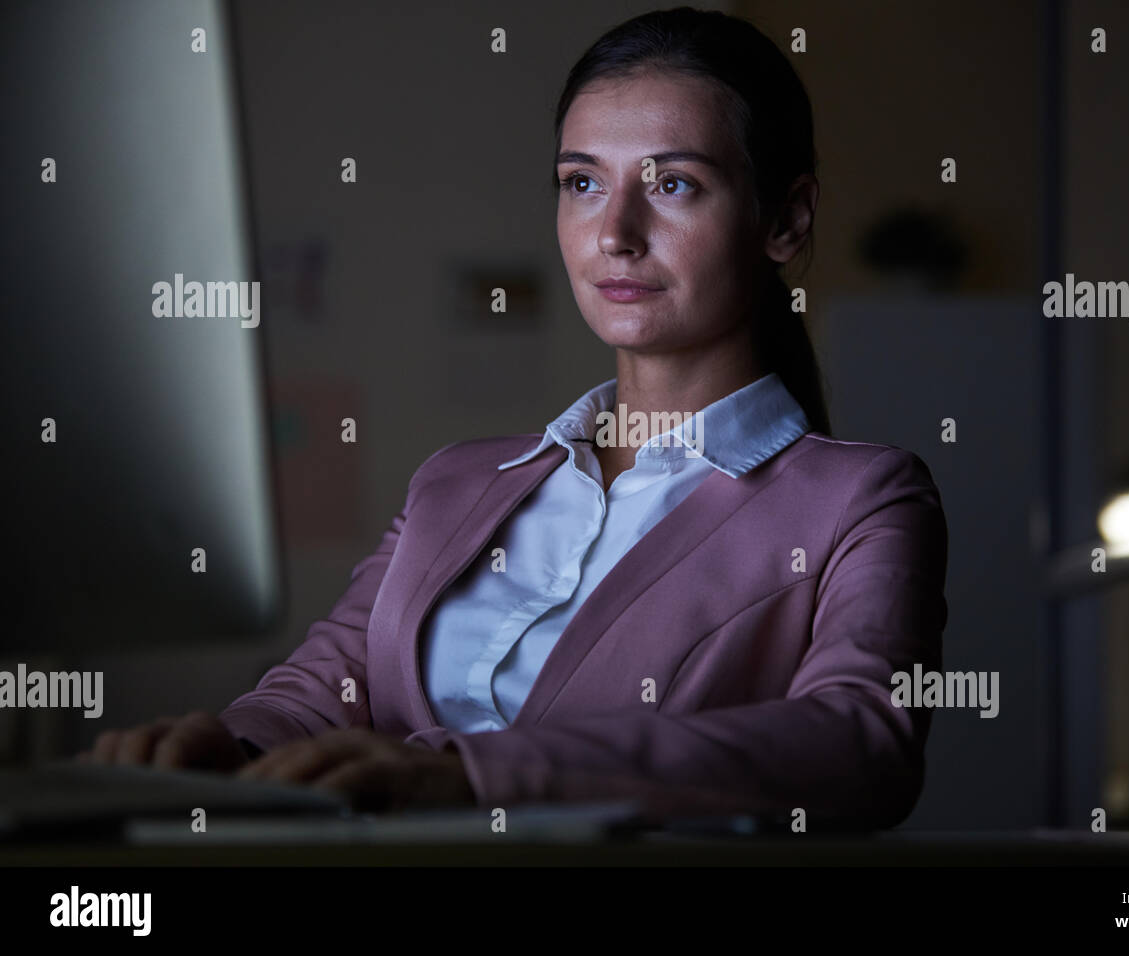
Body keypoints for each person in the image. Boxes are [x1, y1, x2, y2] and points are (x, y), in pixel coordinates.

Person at [79, 6, 948, 828]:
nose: (615, 232)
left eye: (674, 183)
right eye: (581, 183)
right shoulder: (457, 481)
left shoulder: (858, 498)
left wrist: (473, 776)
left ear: (787, 219)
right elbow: (315, 697)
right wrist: (214, 750)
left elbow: (859, 743)